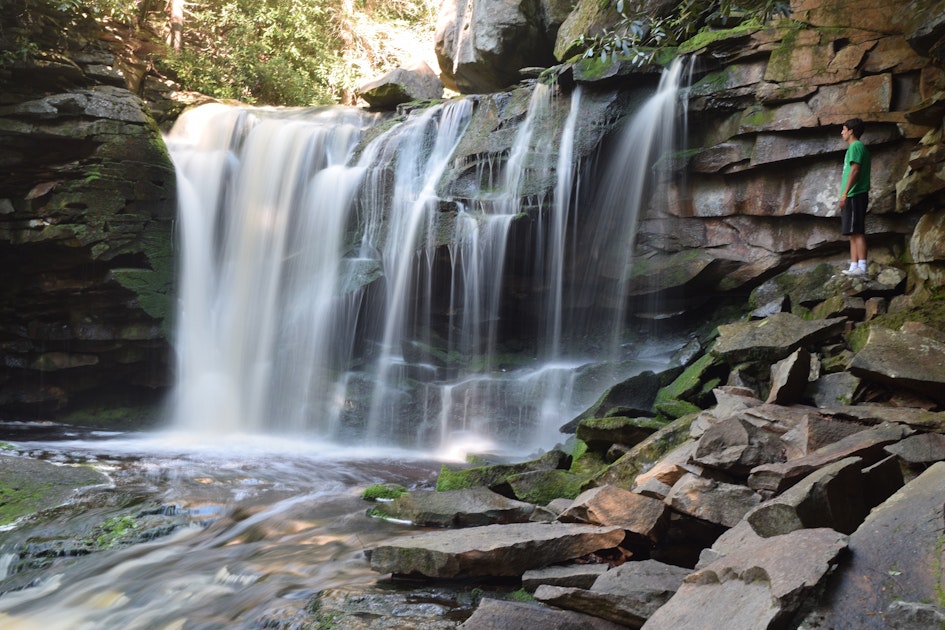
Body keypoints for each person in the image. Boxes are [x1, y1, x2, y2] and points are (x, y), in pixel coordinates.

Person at [838, 117, 871, 277]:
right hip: (852, 195)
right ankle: (854, 266)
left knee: (857, 231)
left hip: (855, 194)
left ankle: (862, 267)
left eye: (844, 129)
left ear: (851, 131)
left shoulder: (856, 146)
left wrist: (845, 193)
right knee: (851, 232)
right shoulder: (854, 147)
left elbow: (855, 171)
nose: (842, 132)